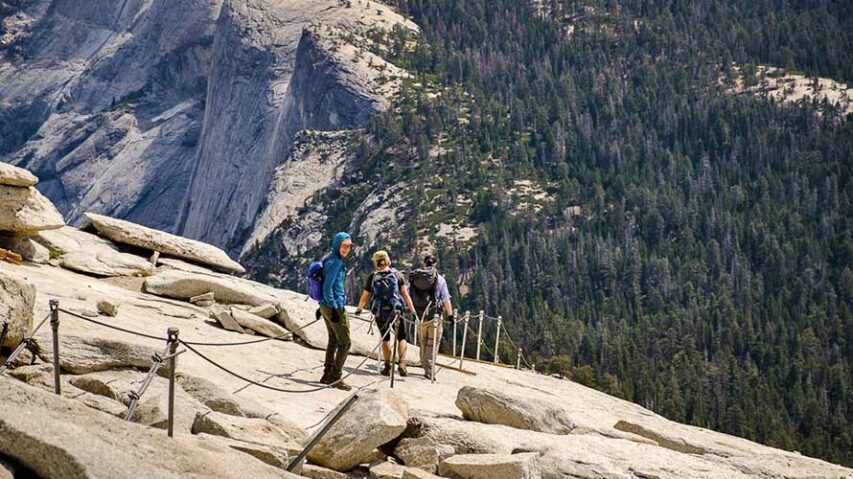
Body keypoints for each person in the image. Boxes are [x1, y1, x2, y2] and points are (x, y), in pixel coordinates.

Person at [355, 250, 416, 377]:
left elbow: (365, 296)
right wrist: (413, 311)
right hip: (396, 311)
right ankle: (402, 364)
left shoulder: (373, 277)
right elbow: (405, 295)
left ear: (376, 262)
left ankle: (387, 366)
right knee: (401, 337)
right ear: (388, 260)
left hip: (380, 311)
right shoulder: (397, 275)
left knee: (385, 337)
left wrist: (359, 309)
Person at [409, 254, 454, 379]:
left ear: (424, 263)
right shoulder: (440, 279)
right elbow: (445, 299)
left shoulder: (415, 278)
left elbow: (408, 295)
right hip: (434, 316)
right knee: (433, 343)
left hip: (419, 316)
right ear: (435, 264)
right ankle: (428, 370)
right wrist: (450, 316)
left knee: (422, 341)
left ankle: (424, 363)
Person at [319, 232, 354, 390]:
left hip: (325, 305)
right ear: (337, 245)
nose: (347, 249)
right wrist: (333, 307)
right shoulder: (336, 263)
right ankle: (335, 377)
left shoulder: (329, 259)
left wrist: (324, 306)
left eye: (349, 246)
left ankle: (327, 374)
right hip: (335, 306)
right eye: (344, 246)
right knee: (345, 343)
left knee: (333, 340)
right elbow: (327, 286)